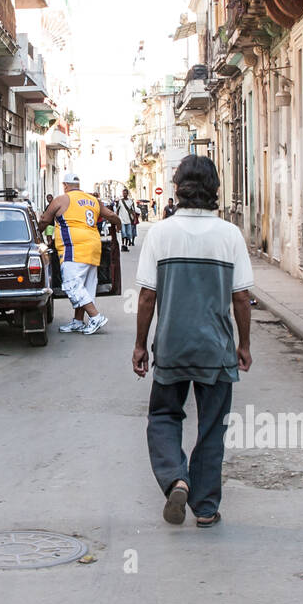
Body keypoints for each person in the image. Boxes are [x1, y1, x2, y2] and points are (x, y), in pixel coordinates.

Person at [132, 155, 253, 528]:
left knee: (164, 417)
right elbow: (241, 297)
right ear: (215, 190)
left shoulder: (161, 234)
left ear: (177, 189)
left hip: (171, 347)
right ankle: (204, 507)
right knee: (212, 426)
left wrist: (140, 344)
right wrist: (244, 345)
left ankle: (176, 479)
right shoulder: (229, 235)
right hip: (216, 351)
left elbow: (147, 297)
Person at [38, 174, 121, 335]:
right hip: (94, 247)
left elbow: (43, 221)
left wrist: (37, 236)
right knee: (85, 287)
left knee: (71, 285)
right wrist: (117, 225)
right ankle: (77, 321)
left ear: (65, 185)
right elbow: (111, 215)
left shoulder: (61, 199)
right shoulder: (92, 200)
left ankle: (95, 317)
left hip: (73, 248)